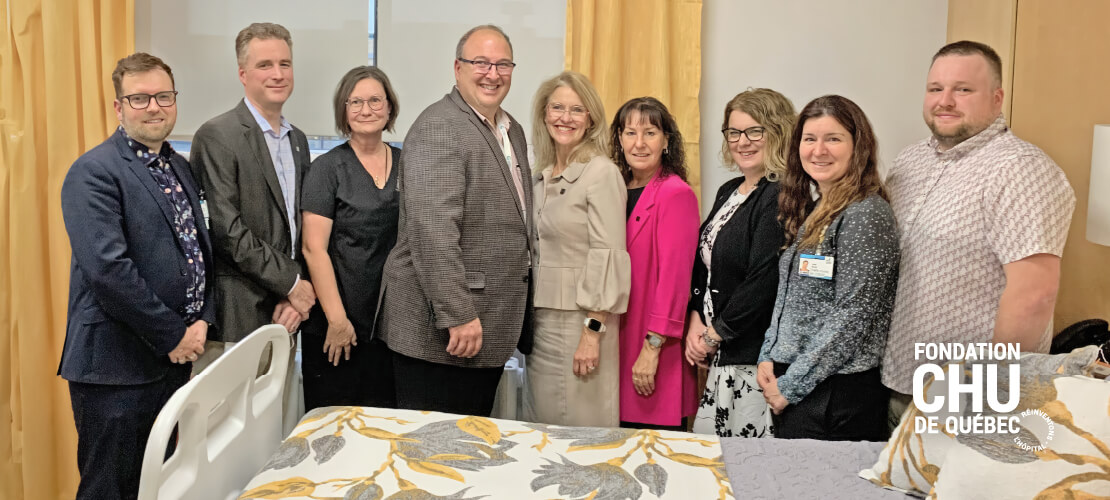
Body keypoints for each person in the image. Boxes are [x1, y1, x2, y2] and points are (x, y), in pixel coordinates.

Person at [881, 41, 1076, 422]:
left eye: (963, 89)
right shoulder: (910, 160)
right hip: (900, 381)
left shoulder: (1020, 169)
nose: (945, 100)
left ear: (997, 98)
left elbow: (1034, 294)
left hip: (970, 397)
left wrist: (990, 392)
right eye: (936, 89)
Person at [59, 52, 214, 499]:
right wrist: (174, 334)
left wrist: (202, 315)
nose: (154, 107)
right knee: (111, 489)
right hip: (115, 370)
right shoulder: (92, 172)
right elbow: (110, 272)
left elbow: (198, 250)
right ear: (119, 107)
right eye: (140, 97)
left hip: (171, 366)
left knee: (158, 486)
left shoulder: (179, 166)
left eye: (163, 96)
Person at [376, 25, 532, 417]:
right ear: (458, 68)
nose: (492, 74)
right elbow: (433, 232)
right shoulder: (440, 127)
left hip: (487, 325)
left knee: (470, 450)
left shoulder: (510, 130)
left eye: (502, 64)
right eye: (480, 63)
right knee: (433, 458)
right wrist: (458, 313)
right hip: (443, 334)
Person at [756, 95, 900, 441]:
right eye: (810, 139)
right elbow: (791, 296)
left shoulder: (866, 213)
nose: (819, 150)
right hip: (803, 384)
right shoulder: (820, 208)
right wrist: (768, 353)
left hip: (836, 393)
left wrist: (790, 386)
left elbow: (852, 315)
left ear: (858, 147)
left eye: (833, 139)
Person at [190, 23, 313, 424]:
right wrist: (294, 285)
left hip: (284, 317)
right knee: (222, 445)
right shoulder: (217, 135)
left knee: (271, 440)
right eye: (265, 65)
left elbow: (299, 229)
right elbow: (227, 230)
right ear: (243, 74)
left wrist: (294, 297)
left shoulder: (298, 139)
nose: (277, 74)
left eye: (285, 63)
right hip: (237, 319)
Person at [686, 88, 795, 437]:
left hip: (750, 357)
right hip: (720, 349)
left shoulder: (779, 195)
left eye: (754, 131)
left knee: (745, 464)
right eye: (734, 132)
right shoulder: (730, 189)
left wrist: (714, 335)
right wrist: (695, 319)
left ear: (777, 133)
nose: (742, 141)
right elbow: (704, 263)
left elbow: (763, 281)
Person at [525, 71, 630, 426]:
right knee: (545, 425)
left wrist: (592, 332)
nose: (565, 118)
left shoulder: (601, 173)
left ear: (591, 120)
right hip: (542, 322)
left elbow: (608, 253)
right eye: (557, 107)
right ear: (544, 114)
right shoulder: (540, 175)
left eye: (576, 110)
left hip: (581, 323)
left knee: (584, 427)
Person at [299, 66, 400, 410]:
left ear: (389, 107)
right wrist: (338, 321)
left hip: (389, 327)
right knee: (333, 431)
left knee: (383, 431)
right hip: (338, 325)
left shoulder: (408, 162)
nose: (366, 109)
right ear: (343, 110)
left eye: (375, 100)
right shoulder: (327, 168)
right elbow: (314, 249)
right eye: (355, 102)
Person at [611, 97, 700, 430]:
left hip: (654, 349)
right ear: (619, 139)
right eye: (630, 132)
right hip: (617, 342)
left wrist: (652, 348)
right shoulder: (616, 188)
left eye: (649, 133)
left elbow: (675, 281)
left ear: (666, 141)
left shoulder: (675, 194)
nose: (639, 143)